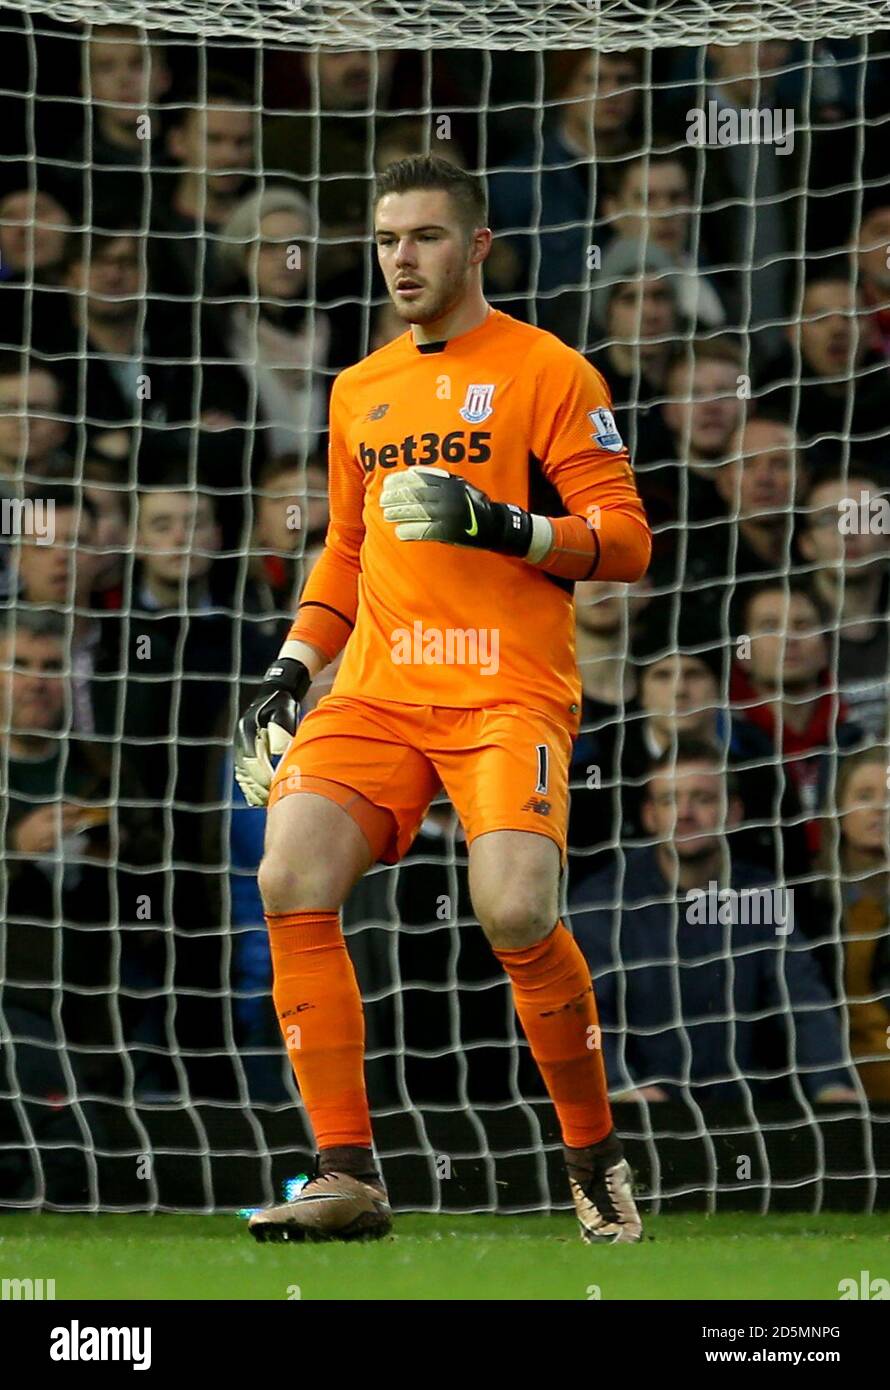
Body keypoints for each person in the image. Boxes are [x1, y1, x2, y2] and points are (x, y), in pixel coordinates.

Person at [234, 154, 652, 1244]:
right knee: (286, 871)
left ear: (476, 247)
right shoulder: (357, 387)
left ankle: (590, 1153)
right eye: (384, 239)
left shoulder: (548, 371)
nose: (399, 258)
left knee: (513, 908)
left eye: (422, 237)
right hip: (376, 688)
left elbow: (626, 541)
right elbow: (343, 550)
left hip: (504, 690)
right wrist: (289, 664)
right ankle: (343, 1174)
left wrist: (506, 525)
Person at [569, 739, 858, 1106]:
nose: (685, 813)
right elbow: (587, 1016)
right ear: (649, 816)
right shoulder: (600, 902)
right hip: (632, 1115)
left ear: (733, 812)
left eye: (703, 799)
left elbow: (802, 1000)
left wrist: (829, 1083)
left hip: (745, 1113)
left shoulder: (759, 894)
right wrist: (620, 1084)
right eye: (669, 800)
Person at [798, 463, 890, 740]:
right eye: (828, 520)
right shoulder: (785, 632)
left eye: (864, 518)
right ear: (806, 543)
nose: (848, 532)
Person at [820, 747, 890, 1102]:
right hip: (835, 1089)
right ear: (839, 810)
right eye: (865, 796)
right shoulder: (808, 905)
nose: (881, 808)